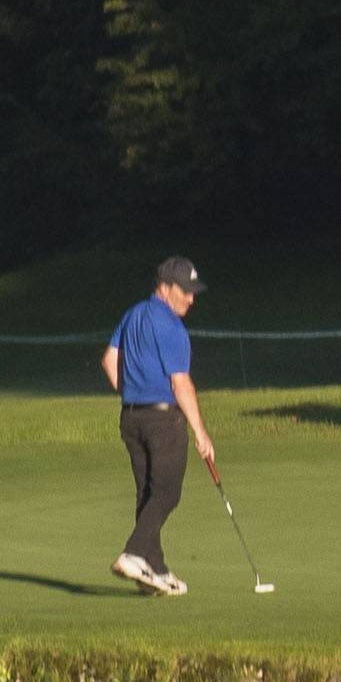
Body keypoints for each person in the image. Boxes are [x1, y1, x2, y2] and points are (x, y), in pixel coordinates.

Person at [101, 253, 214, 594]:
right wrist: (201, 433)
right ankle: (134, 554)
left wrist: (134, 390)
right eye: (184, 291)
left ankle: (155, 571)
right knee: (166, 493)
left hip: (131, 416)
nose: (191, 298)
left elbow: (110, 361)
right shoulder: (173, 328)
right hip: (163, 419)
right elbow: (181, 384)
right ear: (164, 288)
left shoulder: (133, 315)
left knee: (147, 494)